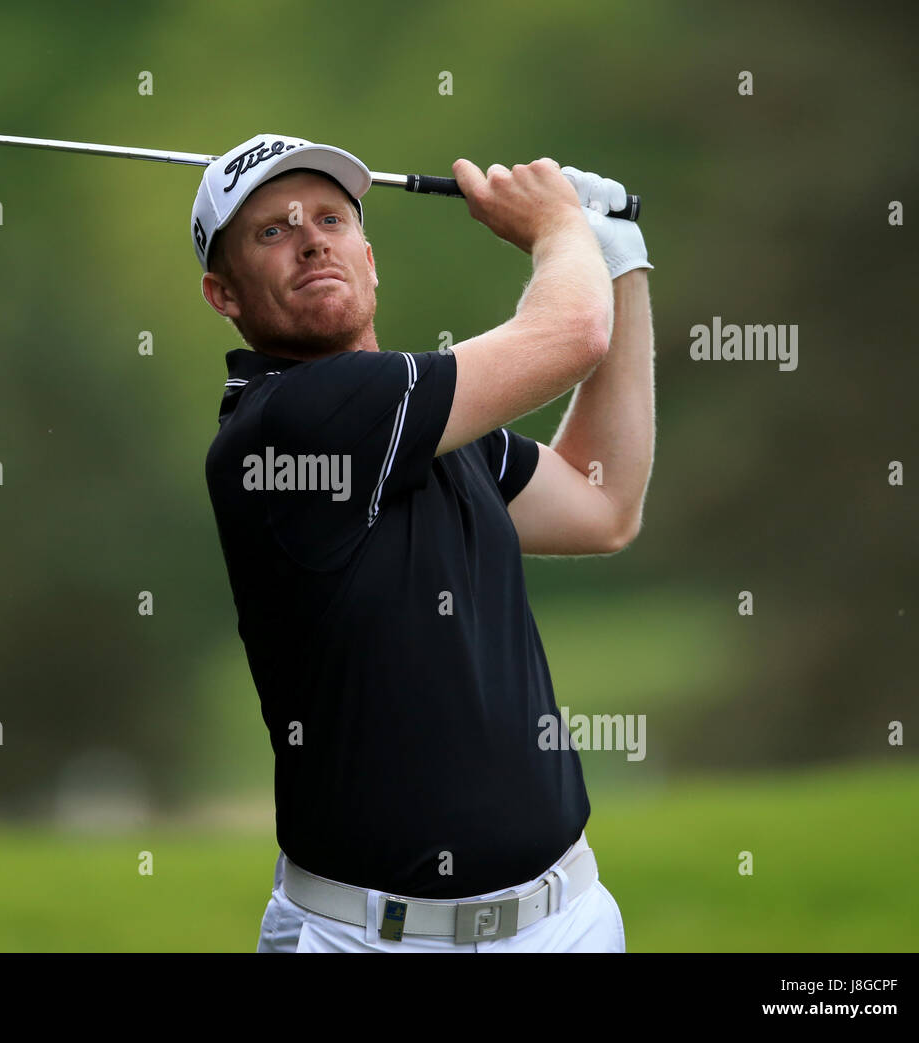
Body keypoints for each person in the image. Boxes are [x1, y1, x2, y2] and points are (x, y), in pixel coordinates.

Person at [193, 132, 654, 952]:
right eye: (272, 230)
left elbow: (603, 503)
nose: (309, 238)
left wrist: (620, 259)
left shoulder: (433, 426)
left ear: (371, 259)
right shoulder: (290, 421)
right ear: (221, 294)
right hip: (370, 936)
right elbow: (573, 334)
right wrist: (560, 230)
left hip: (568, 921)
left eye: (331, 219)